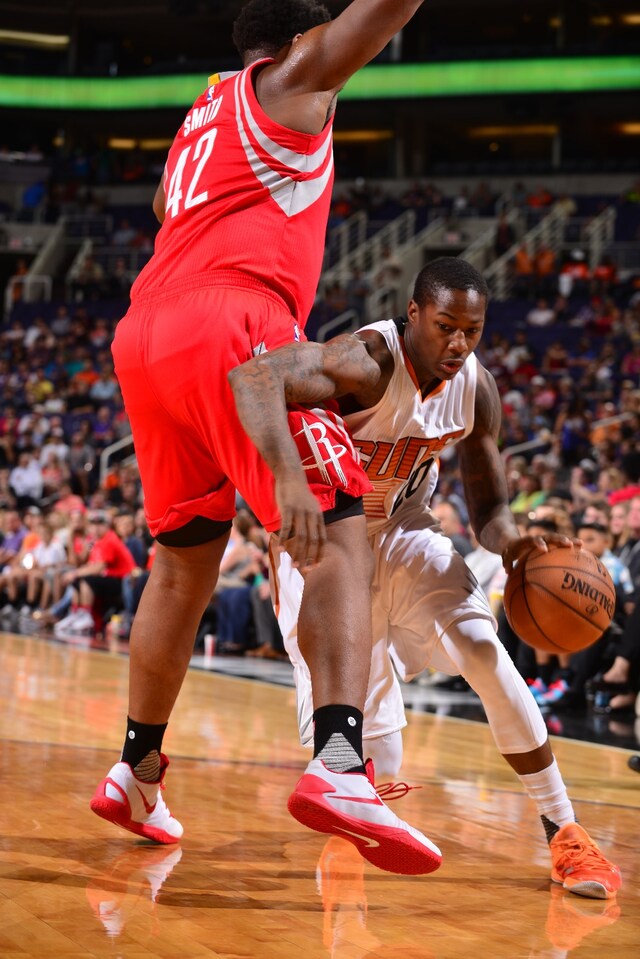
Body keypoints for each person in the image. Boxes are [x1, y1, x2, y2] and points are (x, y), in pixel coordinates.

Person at [90, 0, 441, 877]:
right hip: (234, 322)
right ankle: (339, 762)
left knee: (182, 560)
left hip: (146, 333)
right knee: (339, 531)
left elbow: (186, 207)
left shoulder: (202, 113)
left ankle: (136, 768)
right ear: (297, 43)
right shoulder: (295, 80)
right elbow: (382, 14)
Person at [230, 257, 622, 900]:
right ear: (413, 315)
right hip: (327, 540)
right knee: (369, 755)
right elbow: (254, 377)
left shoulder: (477, 387)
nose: (459, 344)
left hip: (407, 530)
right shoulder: (365, 362)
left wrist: (513, 541)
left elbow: (490, 512)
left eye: (473, 330)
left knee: (483, 651)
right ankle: (356, 835)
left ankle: (565, 831)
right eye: (446, 327)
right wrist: (286, 481)